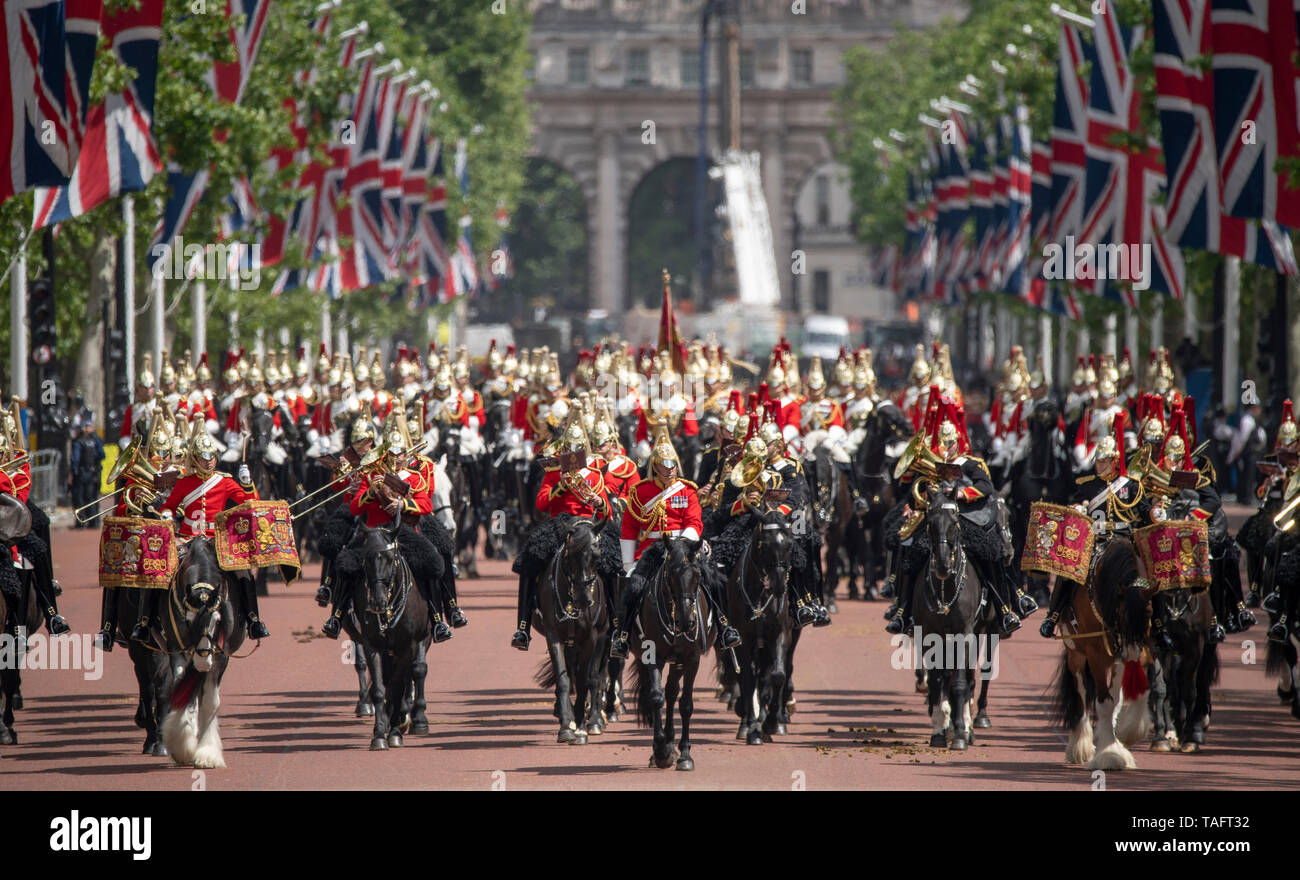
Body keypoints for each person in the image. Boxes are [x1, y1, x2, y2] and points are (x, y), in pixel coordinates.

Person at [610, 428, 740, 658]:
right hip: (651, 548)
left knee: (713, 579)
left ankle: (723, 627)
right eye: (664, 465)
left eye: (672, 465)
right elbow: (629, 526)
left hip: (683, 546)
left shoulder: (687, 490)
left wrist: (685, 544)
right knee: (634, 586)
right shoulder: (640, 491)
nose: (670, 470)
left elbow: (694, 521)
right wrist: (628, 561)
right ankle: (623, 636)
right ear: (655, 466)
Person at [146, 427, 268, 640]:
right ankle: (148, 621)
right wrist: (166, 517)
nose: (209, 461)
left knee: (243, 572)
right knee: (159, 568)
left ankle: (253, 621)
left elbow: (251, 503)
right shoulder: (184, 483)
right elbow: (169, 507)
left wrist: (247, 484)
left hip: (215, 540)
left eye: (212, 456)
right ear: (195, 458)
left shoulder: (224, 481)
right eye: (204, 457)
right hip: (187, 539)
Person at [1039, 410, 1150, 638]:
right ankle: (1054, 614)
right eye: (1098, 461)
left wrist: (1157, 515)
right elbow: (1076, 506)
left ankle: (1158, 623)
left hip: (1125, 542)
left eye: (1104, 461)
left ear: (1115, 460)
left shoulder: (1131, 486)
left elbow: (1145, 514)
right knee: (1070, 570)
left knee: (1149, 579)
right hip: (1097, 542)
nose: (1099, 465)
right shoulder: (1088, 486)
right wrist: (1078, 509)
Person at [69, 412, 104, 529]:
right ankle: (94, 521)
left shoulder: (78, 441)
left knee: (80, 498)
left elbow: (75, 459)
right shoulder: (95, 439)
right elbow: (101, 455)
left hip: (82, 473)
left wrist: (73, 472)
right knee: (92, 498)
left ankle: (81, 521)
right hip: (94, 473)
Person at [1228, 402, 1264, 503]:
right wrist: (1236, 452)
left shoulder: (1251, 420)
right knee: (1246, 476)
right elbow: (1242, 438)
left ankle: (1246, 497)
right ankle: (1245, 498)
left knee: (1249, 476)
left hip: (1251, 453)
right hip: (1248, 453)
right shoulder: (1247, 420)